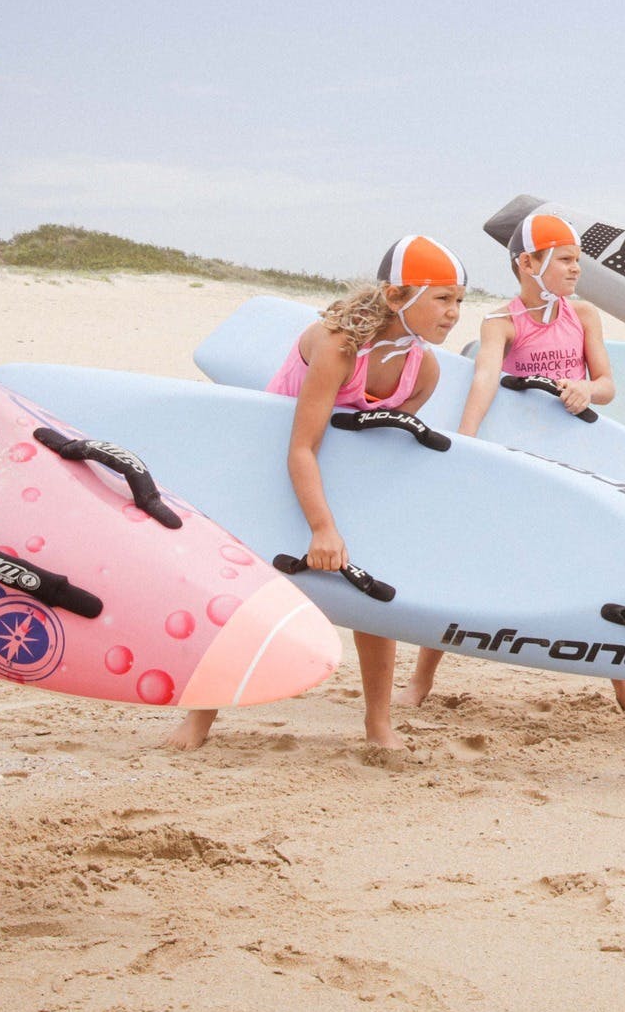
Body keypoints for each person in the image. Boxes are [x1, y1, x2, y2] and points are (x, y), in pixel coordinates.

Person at [161, 236, 466, 753]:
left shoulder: (425, 368)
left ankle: (378, 725)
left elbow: (384, 458)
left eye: (460, 299)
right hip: (276, 471)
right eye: (442, 298)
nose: (455, 312)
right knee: (250, 593)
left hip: (344, 482)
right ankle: (199, 719)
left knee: (377, 601)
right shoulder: (337, 345)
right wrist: (323, 527)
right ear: (396, 298)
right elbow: (301, 446)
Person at [397, 213, 625, 715]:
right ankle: (420, 681)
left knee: (602, 563)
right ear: (528, 262)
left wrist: (587, 389)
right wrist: (467, 445)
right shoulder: (500, 321)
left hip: (575, 462)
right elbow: (484, 381)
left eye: (577, 260)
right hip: (519, 463)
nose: (574, 269)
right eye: (564, 259)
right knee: (467, 561)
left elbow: (607, 384)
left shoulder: (582, 315)